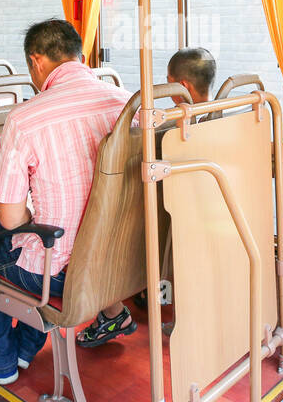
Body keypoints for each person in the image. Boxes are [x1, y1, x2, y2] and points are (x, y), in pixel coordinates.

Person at [0, 18, 133, 384]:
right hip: (121, 257)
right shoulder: (124, 102)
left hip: (60, 273)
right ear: (81, 56)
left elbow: (10, 220)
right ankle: (24, 348)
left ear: (36, 62)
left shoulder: (25, 118)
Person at [76, 47, 216, 348]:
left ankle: (125, 307)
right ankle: (148, 294)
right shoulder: (222, 116)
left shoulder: (177, 130)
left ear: (183, 87)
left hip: (184, 219)